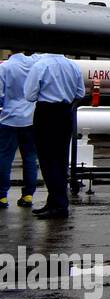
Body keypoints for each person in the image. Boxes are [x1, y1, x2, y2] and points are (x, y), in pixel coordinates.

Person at [24, 52, 85, 220]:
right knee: (60, 159)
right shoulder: (73, 66)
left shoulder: (40, 66)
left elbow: (29, 95)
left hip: (46, 113)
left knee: (48, 160)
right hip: (65, 113)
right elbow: (80, 93)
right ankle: (54, 202)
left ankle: (58, 205)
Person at [0, 51, 39, 209]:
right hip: (31, 118)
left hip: (9, 118)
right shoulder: (36, 64)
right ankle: (28, 195)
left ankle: (2, 196)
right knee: (30, 157)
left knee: (4, 158)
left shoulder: (6, 67)